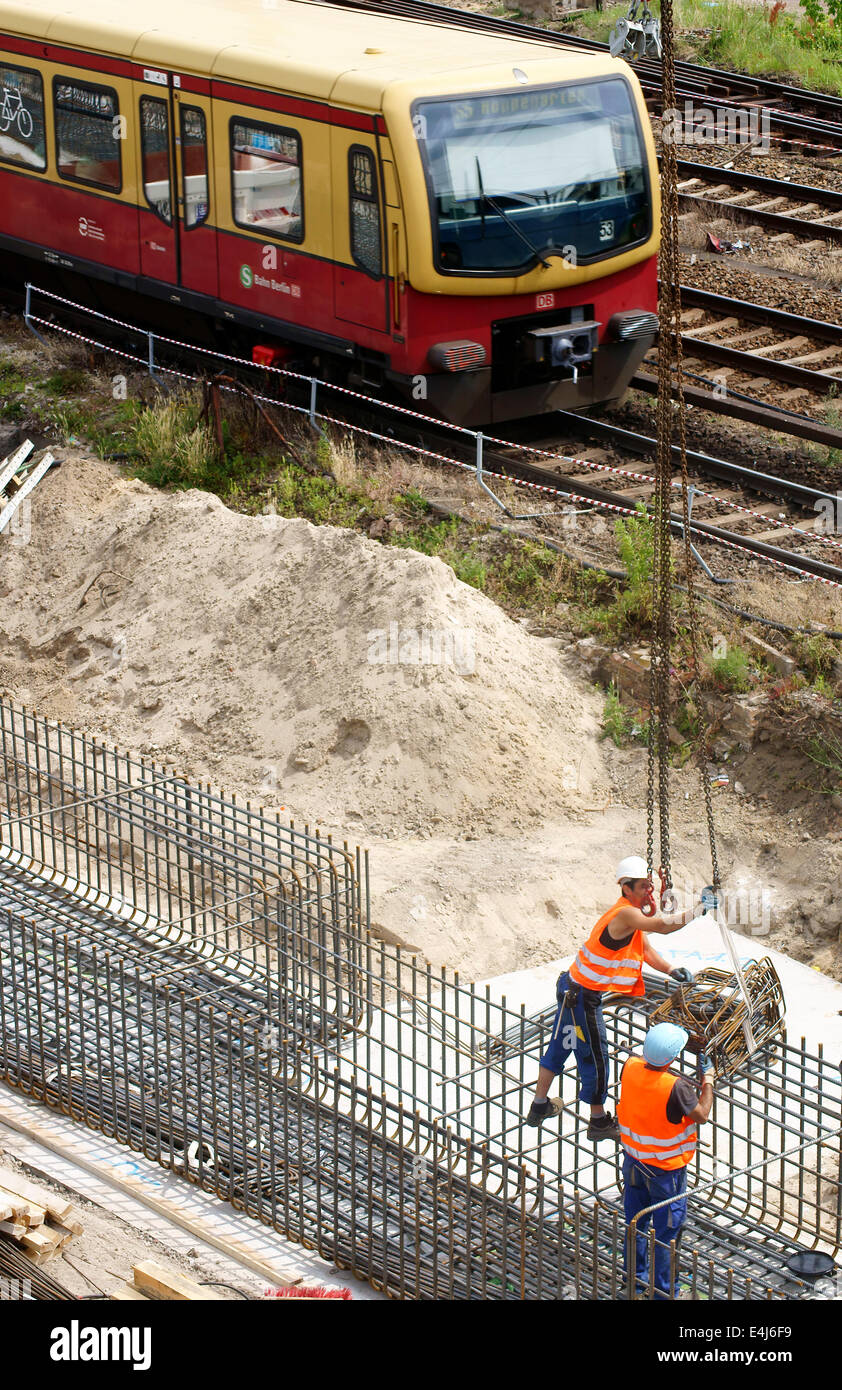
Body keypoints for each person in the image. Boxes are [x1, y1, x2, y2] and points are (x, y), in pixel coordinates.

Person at [525, 856, 706, 1140]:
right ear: (626, 888)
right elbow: (664, 925)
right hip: (583, 997)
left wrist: (670, 969)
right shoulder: (625, 914)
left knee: (561, 1045)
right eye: (644, 887)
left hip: (571, 988)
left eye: (650, 886)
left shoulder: (629, 916)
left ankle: (539, 1106)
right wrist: (700, 909)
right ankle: (598, 1121)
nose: (649, 891)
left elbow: (644, 950)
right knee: (595, 1056)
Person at [617, 1021, 714, 1299]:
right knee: (666, 1232)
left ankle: (634, 1281)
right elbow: (702, 1114)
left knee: (635, 1221)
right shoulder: (677, 1087)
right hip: (666, 1173)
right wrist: (708, 1080)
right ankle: (663, 1292)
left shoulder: (631, 1067)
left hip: (634, 1161)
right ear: (672, 1057)